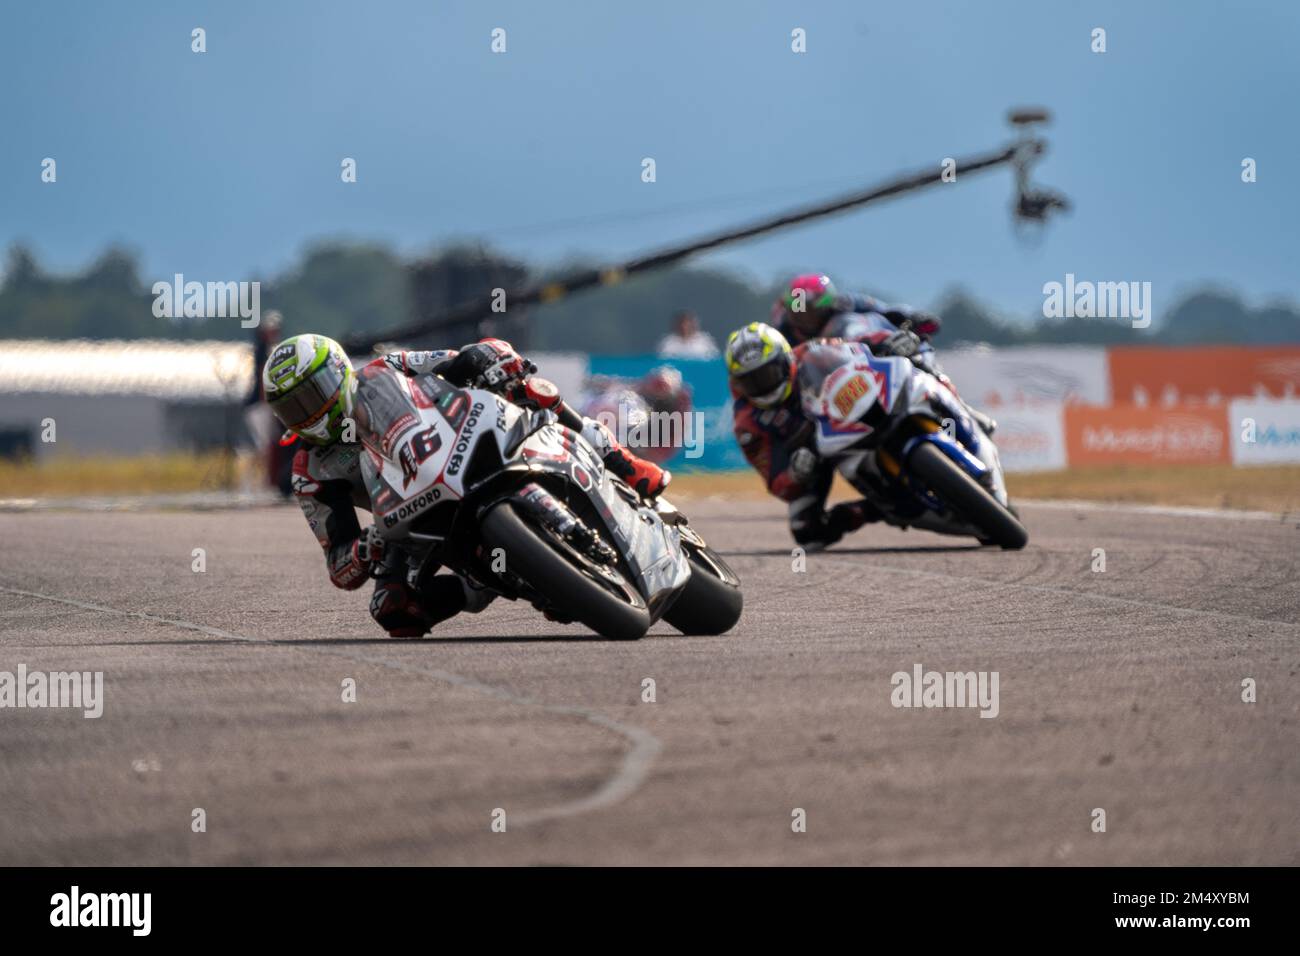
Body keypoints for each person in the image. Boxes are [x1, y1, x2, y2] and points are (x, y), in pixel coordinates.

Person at [263, 334, 670, 637]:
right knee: (393, 611)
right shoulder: (309, 469)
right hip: (410, 519)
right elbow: (339, 567)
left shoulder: (386, 368)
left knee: (530, 388)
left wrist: (492, 359)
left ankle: (620, 459)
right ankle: (486, 580)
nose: (306, 415)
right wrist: (366, 547)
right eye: (291, 409)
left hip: (461, 442)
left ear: (338, 374)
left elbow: (455, 360)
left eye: (311, 397)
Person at [772, 273, 995, 435]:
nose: (803, 320)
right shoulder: (785, 333)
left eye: (810, 313)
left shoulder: (846, 305)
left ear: (826, 306)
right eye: (797, 313)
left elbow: (886, 310)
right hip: (839, 385)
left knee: (923, 363)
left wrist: (914, 318)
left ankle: (964, 412)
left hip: (880, 353)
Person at [725, 322, 879, 550]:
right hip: (815, 454)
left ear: (785, 360)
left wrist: (886, 342)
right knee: (805, 529)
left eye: (767, 374)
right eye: (751, 381)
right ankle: (876, 509)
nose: (762, 386)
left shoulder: (813, 353)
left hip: (856, 415)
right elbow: (774, 480)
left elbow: (860, 349)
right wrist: (795, 474)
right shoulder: (747, 425)